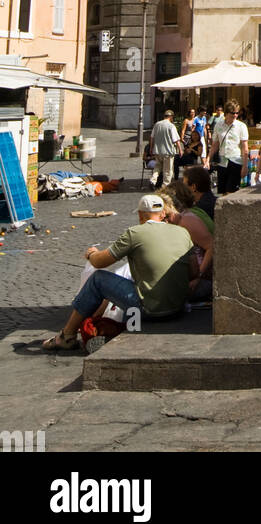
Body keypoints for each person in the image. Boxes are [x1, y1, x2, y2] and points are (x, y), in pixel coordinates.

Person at [41, 194, 193, 351]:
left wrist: (91, 254)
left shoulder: (135, 233)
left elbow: (100, 262)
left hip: (149, 310)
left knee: (98, 279)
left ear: (140, 215)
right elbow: (194, 271)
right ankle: (107, 329)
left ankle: (67, 336)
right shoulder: (182, 233)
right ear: (162, 214)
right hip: (178, 307)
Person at [164, 185, 214, 299]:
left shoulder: (186, 220)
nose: (164, 219)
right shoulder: (187, 215)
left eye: (166, 214)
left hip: (202, 280)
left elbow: (212, 247)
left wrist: (198, 276)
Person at [209, 100, 248, 194]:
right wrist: (207, 159)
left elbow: (244, 148)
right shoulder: (219, 125)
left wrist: (245, 166)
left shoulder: (241, 126)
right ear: (226, 113)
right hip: (222, 161)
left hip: (235, 160)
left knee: (231, 191)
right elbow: (215, 144)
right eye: (232, 113)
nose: (235, 115)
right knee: (223, 191)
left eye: (237, 113)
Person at [149, 109, 182, 190]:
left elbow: (152, 137)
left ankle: (153, 180)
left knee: (157, 167)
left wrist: (151, 148)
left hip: (157, 151)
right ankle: (165, 186)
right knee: (168, 170)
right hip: (168, 151)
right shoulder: (171, 126)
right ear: (171, 117)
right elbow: (176, 139)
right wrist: (180, 149)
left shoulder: (157, 124)